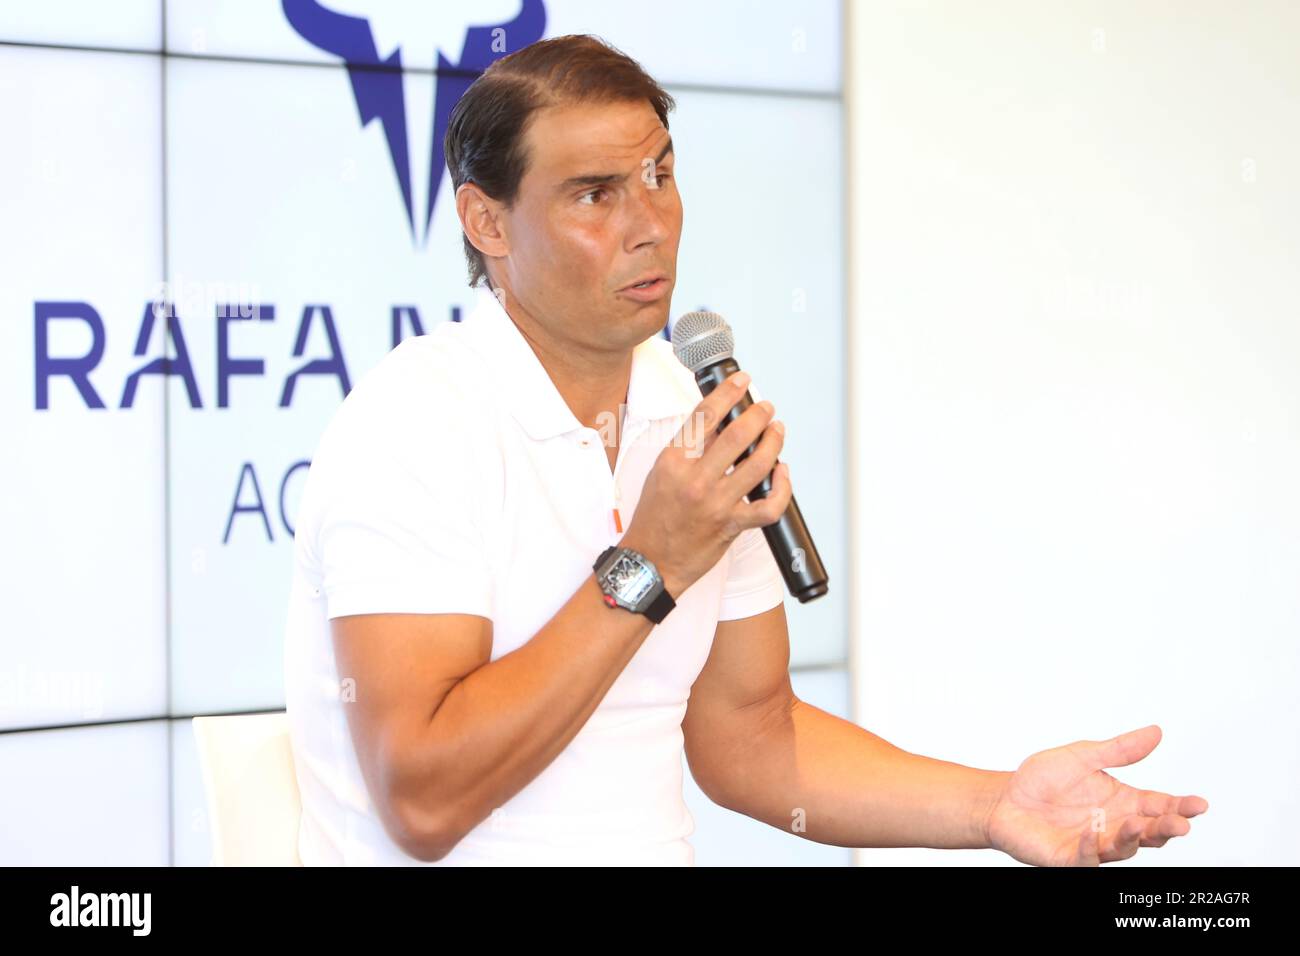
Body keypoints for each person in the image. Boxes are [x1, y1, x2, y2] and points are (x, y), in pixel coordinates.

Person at [282, 34, 1208, 866]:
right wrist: (650, 562)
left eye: (659, 173)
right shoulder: (416, 421)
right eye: (595, 194)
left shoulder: (688, 406)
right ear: (487, 225)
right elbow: (424, 801)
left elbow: (749, 739)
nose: (650, 223)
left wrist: (995, 805)